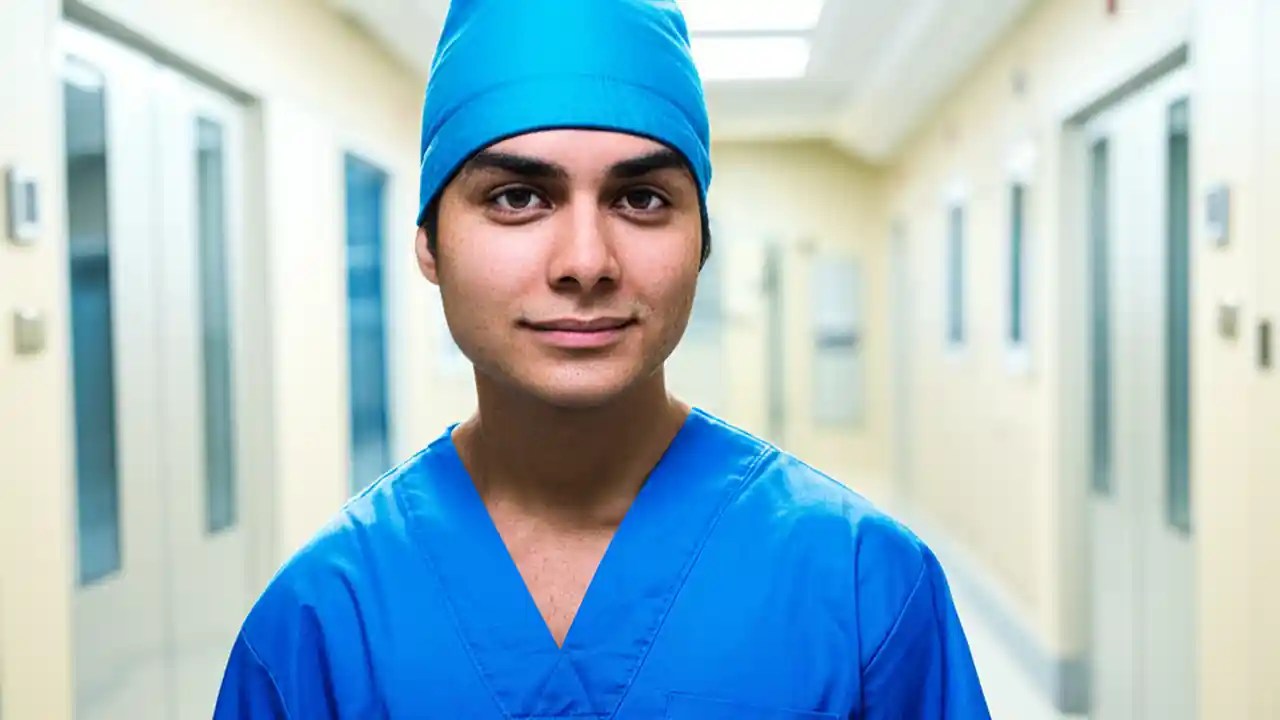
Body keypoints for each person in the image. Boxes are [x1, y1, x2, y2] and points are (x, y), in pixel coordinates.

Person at [213, 0, 991, 717]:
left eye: (642, 199)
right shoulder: (317, 627)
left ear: (701, 245)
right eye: (518, 197)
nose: (586, 261)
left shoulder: (862, 588)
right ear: (429, 243)